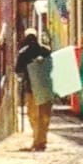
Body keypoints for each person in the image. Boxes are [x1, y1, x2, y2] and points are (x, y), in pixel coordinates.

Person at [16, 18, 55, 151]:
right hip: (45, 88)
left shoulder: (23, 52)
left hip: (31, 89)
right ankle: (41, 140)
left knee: (33, 115)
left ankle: (37, 139)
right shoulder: (45, 50)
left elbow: (18, 70)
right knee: (44, 116)